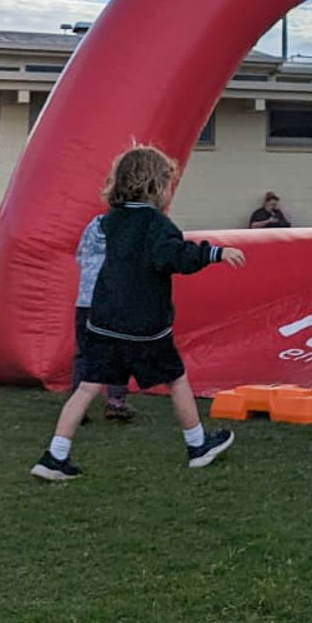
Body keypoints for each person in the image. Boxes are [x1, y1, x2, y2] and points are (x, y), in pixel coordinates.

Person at [31, 145, 245, 481]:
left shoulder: (110, 221)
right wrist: (215, 253)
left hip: (103, 320)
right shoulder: (156, 225)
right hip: (145, 323)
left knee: (88, 385)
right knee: (176, 379)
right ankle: (197, 445)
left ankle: (54, 456)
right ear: (156, 185)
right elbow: (174, 257)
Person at [70, 210, 136, 422]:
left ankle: (77, 406)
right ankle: (116, 402)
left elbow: (80, 255)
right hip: (115, 298)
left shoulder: (93, 224)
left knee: (85, 353)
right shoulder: (131, 226)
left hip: (86, 299)